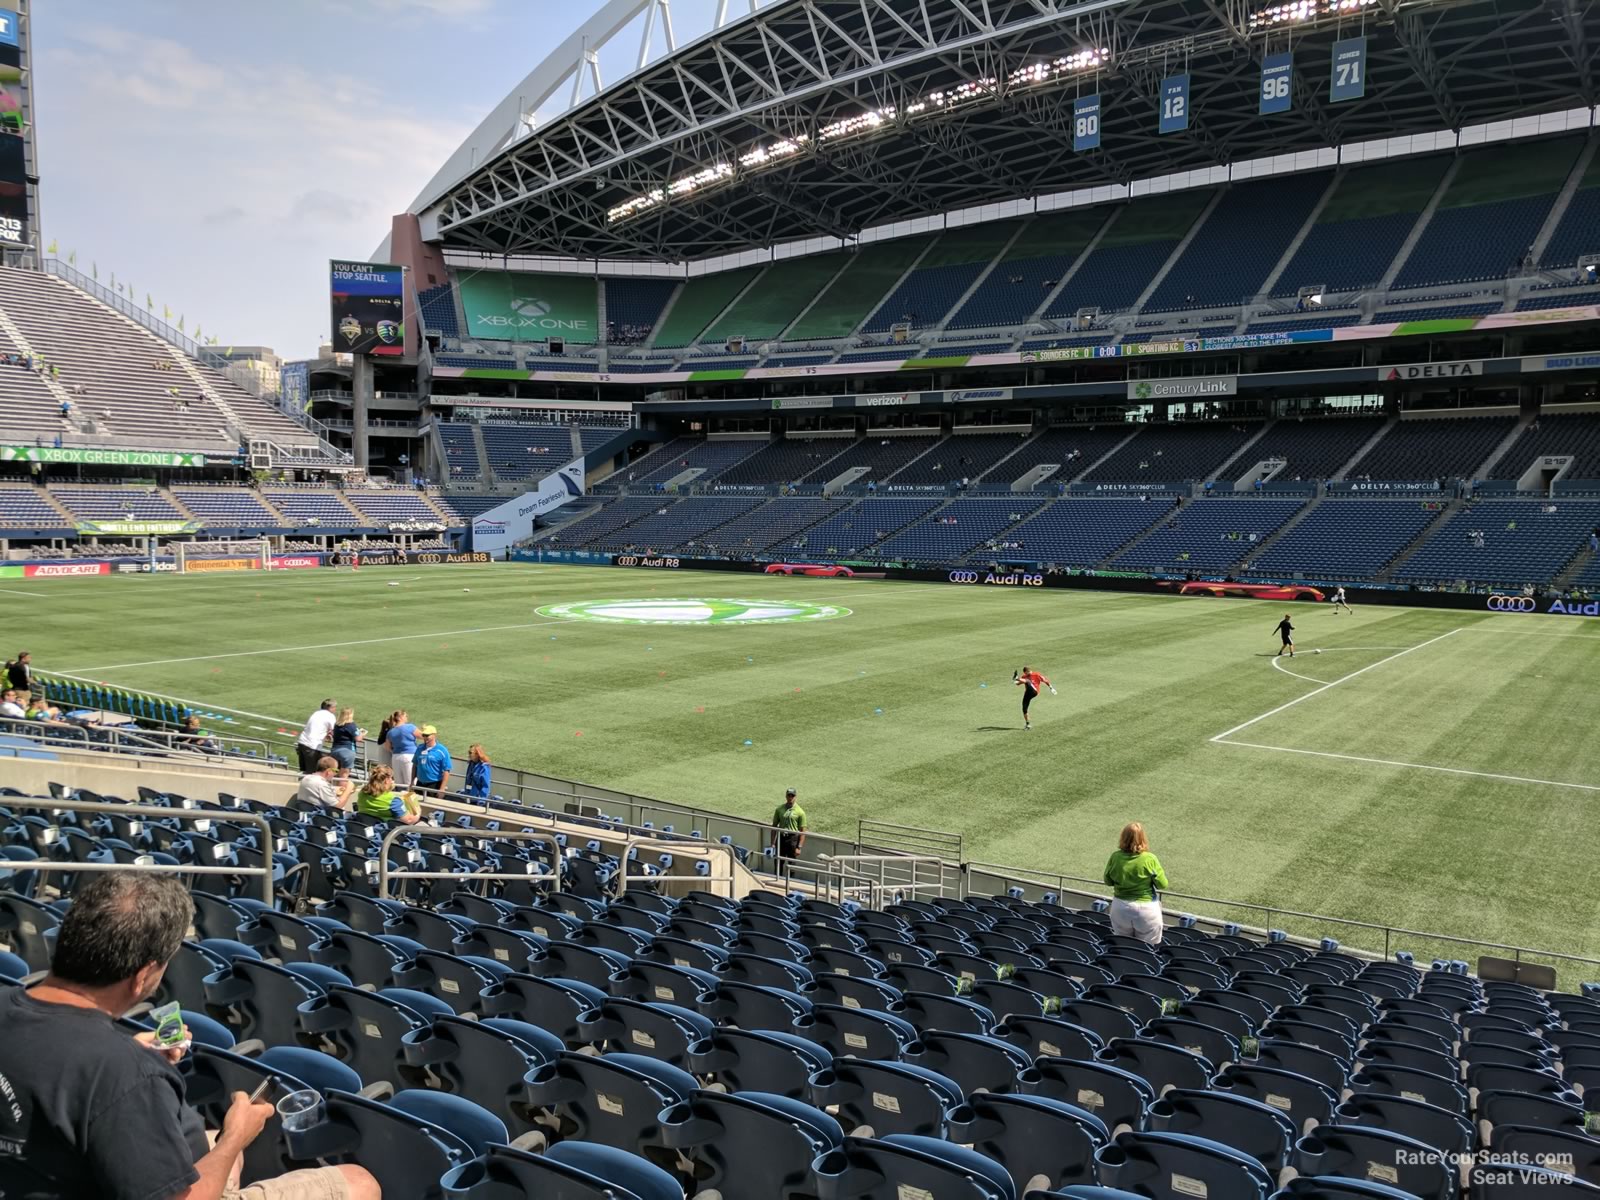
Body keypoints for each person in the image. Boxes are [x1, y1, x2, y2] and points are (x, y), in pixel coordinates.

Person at [0, 871, 380, 1200]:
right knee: (359, 1182)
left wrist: (130, 1051)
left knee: (210, 1142)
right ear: (142, 976)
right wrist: (237, 1135)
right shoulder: (122, 1073)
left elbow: (53, 1070)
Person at [1103, 821, 1169, 945]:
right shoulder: (1150, 859)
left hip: (1120, 908)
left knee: (1124, 946)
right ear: (1143, 838)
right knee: (1147, 950)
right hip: (1146, 910)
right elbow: (1162, 884)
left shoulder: (1115, 857)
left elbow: (1108, 881)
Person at [354, 765, 421, 824]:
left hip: (366, 827)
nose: (392, 781)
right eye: (391, 778)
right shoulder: (393, 801)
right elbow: (409, 820)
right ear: (386, 780)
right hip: (387, 833)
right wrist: (418, 812)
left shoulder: (362, 793)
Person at [295, 698, 336, 775]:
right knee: (313, 772)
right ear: (330, 708)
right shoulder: (330, 716)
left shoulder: (316, 713)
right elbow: (335, 731)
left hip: (302, 742)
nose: (335, 709)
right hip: (312, 745)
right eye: (334, 707)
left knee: (305, 771)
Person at [771, 788, 807, 875]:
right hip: (781, 838)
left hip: (793, 838)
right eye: (789, 795)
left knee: (792, 863)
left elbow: (803, 830)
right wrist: (772, 843)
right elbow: (774, 826)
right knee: (778, 861)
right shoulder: (779, 809)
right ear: (786, 796)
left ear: (795, 797)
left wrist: (799, 847)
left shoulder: (800, 812)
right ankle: (777, 880)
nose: (790, 797)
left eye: (792, 796)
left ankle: (790, 882)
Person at [412, 725, 452, 795]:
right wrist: (412, 781)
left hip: (434, 785)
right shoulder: (419, 748)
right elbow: (415, 764)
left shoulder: (442, 750)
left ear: (434, 735)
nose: (425, 737)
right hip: (420, 783)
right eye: (423, 735)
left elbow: (447, 770)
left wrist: (442, 789)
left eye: (427, 735)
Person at [1013, 665, 1054, 731]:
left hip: (1034, 691)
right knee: (1024, 707)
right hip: (1027, 693)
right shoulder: (1024, 677)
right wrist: (1015, 681)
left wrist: (1051, 688)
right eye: (1026, 673)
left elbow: (1045, 680)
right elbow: (1018, 684)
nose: (1028, 673)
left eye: (1028, 672)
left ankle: (1017, 677)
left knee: (1028, 681)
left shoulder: (1036, 674)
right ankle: (1028, 724)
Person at [385, 710, 418, 789]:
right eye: (406, 716)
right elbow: (423, 736)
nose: (407, 717)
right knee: (410, 782)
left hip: (396, 757)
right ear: (400, 717)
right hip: (409, 756)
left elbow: (387, 747)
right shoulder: (410, 727)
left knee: (399, 784)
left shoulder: (391, 732)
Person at [329, 707, 363, 772]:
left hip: (335, 751)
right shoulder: (351, 725)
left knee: (333, 773)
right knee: (344, 776)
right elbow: (358, 738)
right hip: (347, 751)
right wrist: (361, 733)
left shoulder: (336, 725)